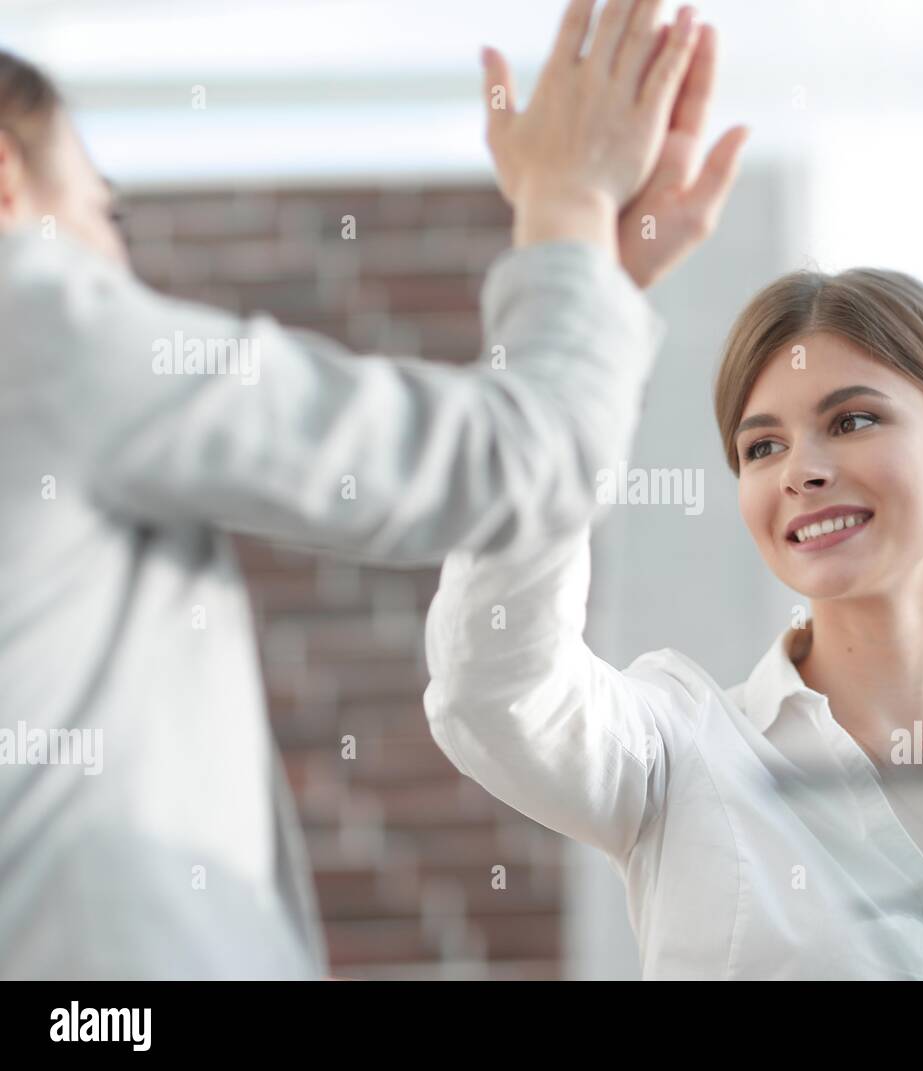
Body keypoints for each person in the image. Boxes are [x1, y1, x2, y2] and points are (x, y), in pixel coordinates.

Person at [0, 0, 746, 979]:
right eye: (104, 213)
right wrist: (564, 212)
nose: (117, 262)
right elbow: (521, 461)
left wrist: (588, 282)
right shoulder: (36, 323)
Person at [424, 267, 923, 980]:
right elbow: (492, 690)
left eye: (851, 421)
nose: (802, 471)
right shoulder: (677, 750)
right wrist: (570, 349)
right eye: (762, 447)